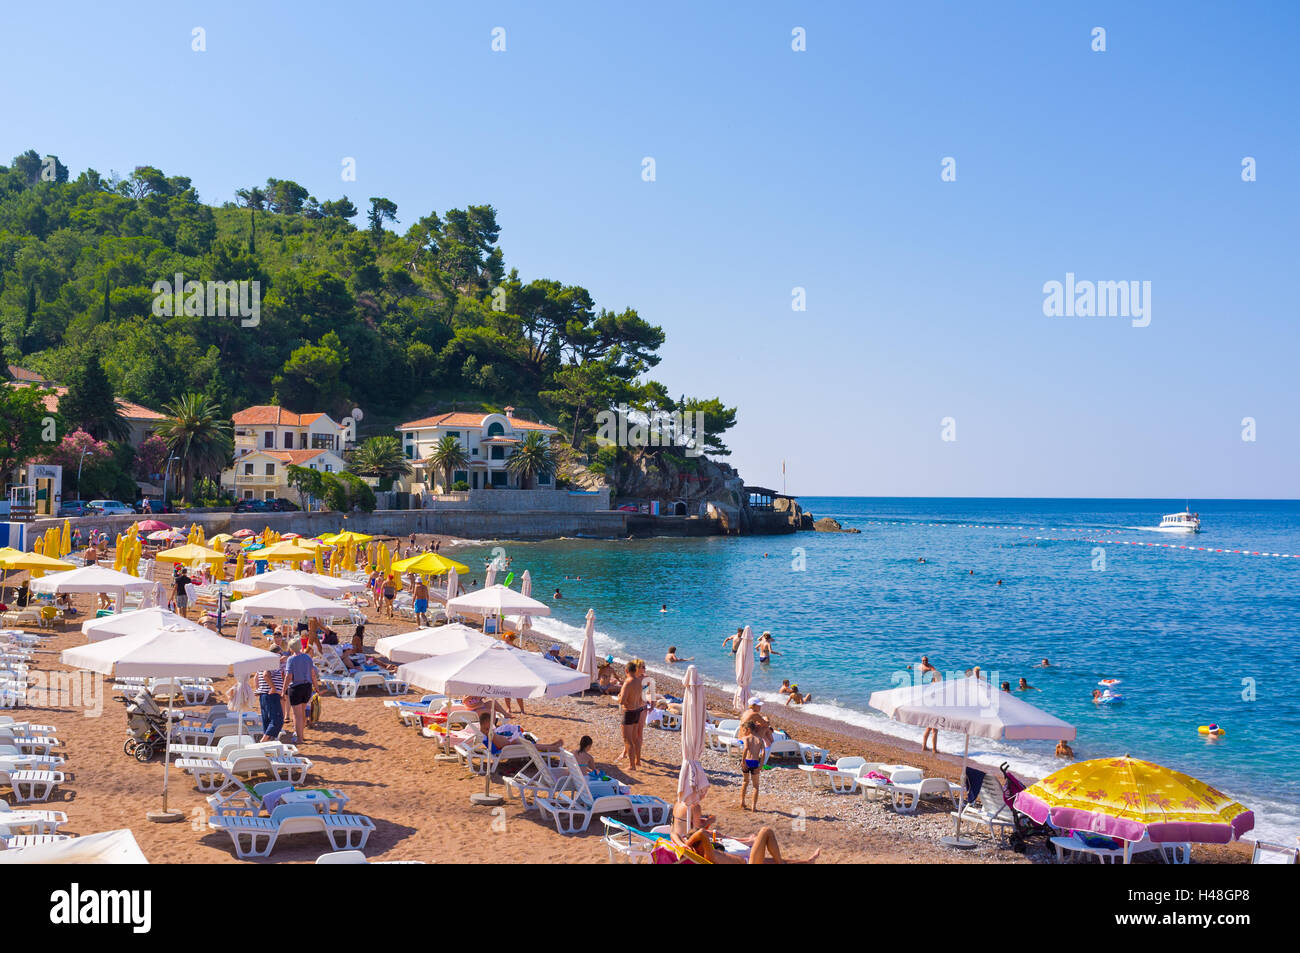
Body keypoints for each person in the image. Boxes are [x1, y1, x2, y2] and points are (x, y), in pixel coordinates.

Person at [670, 796, 819, 864]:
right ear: (698, 846)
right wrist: (688, 843)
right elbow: (701, 833)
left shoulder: (707, 850)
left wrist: (683, 842)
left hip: (747, 860)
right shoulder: (707, 855)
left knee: (776, 860)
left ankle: (808, 862)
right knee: (766, 831)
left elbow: (675, 834)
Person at [282, 640, 321, 744]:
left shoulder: (291, 659)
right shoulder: (308, 657)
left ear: (291, 648)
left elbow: (289, 676)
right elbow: (313, 674)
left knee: (297, 715)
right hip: (307, 687)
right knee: (302, 712)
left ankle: (299, 738)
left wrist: (283, 690)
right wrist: (317, 687)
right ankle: (301, 735)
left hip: (296, 688)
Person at [478, 711, 562, 756]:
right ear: (484, 724)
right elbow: (500, 744)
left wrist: (508, 738)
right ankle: (552, 748)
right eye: (489, 723)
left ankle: (551, 746)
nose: (491, 725)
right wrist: (510, 740)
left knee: (531, 745)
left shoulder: (487, 732)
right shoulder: (488, 734)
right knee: (531, 746)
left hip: (509, 742)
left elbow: (499, 741)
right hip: (508, 746)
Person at [253, 635, 288, 742]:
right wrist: (273, 688)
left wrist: (259, 689)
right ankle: (263, 741)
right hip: (271, 695)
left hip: (264, 695)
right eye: (280, 654)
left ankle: (267, 743)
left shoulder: (264, 662)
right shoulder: (272, 662)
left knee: (267, 721)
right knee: (277, 720)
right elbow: (265, 675)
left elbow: (257, 677)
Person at [616, 660, 646, 769]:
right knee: (635, 738)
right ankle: (637, 761)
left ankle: (632, 765)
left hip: (629, 712)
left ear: (626, 670)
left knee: (627, 740)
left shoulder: (628, 682)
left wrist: (619, 695)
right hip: (637, 711)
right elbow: (639, 699)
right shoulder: (639, 682)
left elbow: (622, 701)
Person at [739, 729, 765, 810]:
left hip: (747, 761)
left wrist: (743, 761)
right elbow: (763, 753)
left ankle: (742, 802)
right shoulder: (760, 739)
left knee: (745, 781)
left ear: (748, 729)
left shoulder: (746, 738)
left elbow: (746, 748)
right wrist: (761, 765)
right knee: (756, 786)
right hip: (755, 762)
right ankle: (753, 806)